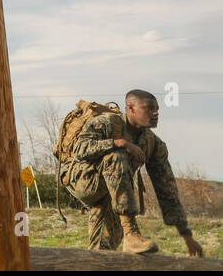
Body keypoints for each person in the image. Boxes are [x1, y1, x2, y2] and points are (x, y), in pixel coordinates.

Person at [60, 89, 203, 256]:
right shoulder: (107, 122)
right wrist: (119, 143)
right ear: (130, 108)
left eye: (157, 109)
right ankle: (131, 234)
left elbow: (167, 189)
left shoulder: (154, 144)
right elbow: (80, 149)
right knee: (117, 157)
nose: (155, 113)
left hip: (113, 191)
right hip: (83, 179)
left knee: (104, 251)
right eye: (148, 108)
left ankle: (116, 246)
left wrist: (187, 236)